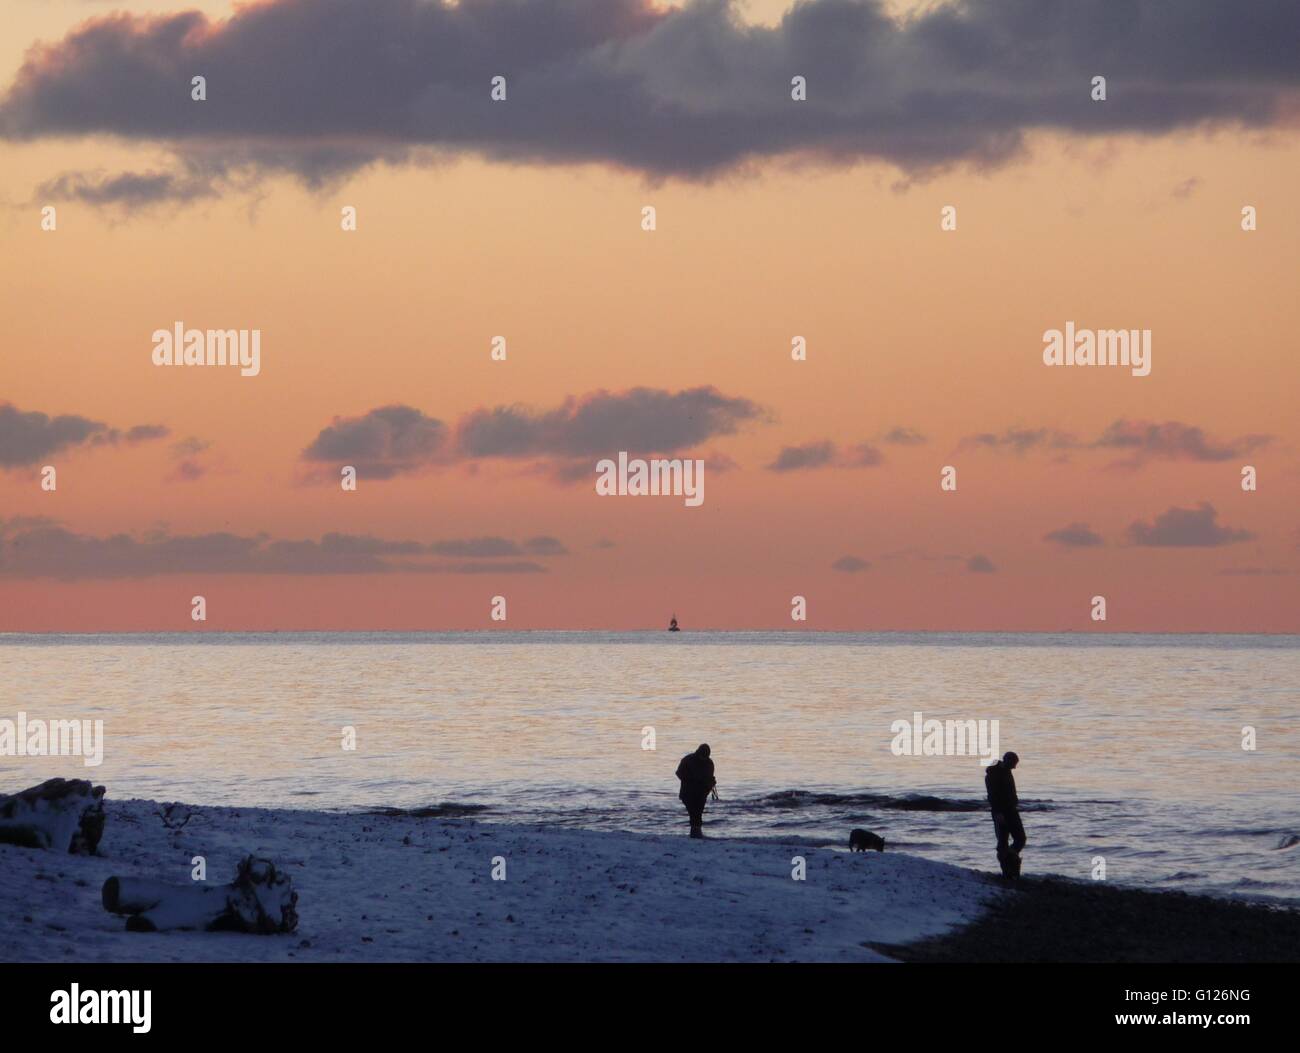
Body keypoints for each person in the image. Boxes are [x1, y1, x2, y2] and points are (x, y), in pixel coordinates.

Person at [985, 751, 1026, 879]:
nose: (1015, 767)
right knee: (1003, 842)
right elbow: (992, 796)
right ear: (1007, 761)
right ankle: (1008, 871)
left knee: (1020, 839)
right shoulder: (992, 775)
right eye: (1014, 764)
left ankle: (1010, 861)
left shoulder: (1007, 771)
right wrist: (997, 813)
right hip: (1001, 812)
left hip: (1011, 810)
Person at [675, 743, 717, 838]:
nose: (704, 758)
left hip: (702, 793)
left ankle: (696, 833)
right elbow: (679, 773)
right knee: (694, 812)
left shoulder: (709, 763)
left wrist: (710, 783)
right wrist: (691, 780)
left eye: (706, 756)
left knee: (698, 812)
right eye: (703, 756)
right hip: (688, 792)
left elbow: (710, 777)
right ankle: (695, 833)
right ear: (699, 753)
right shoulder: (688, 760)